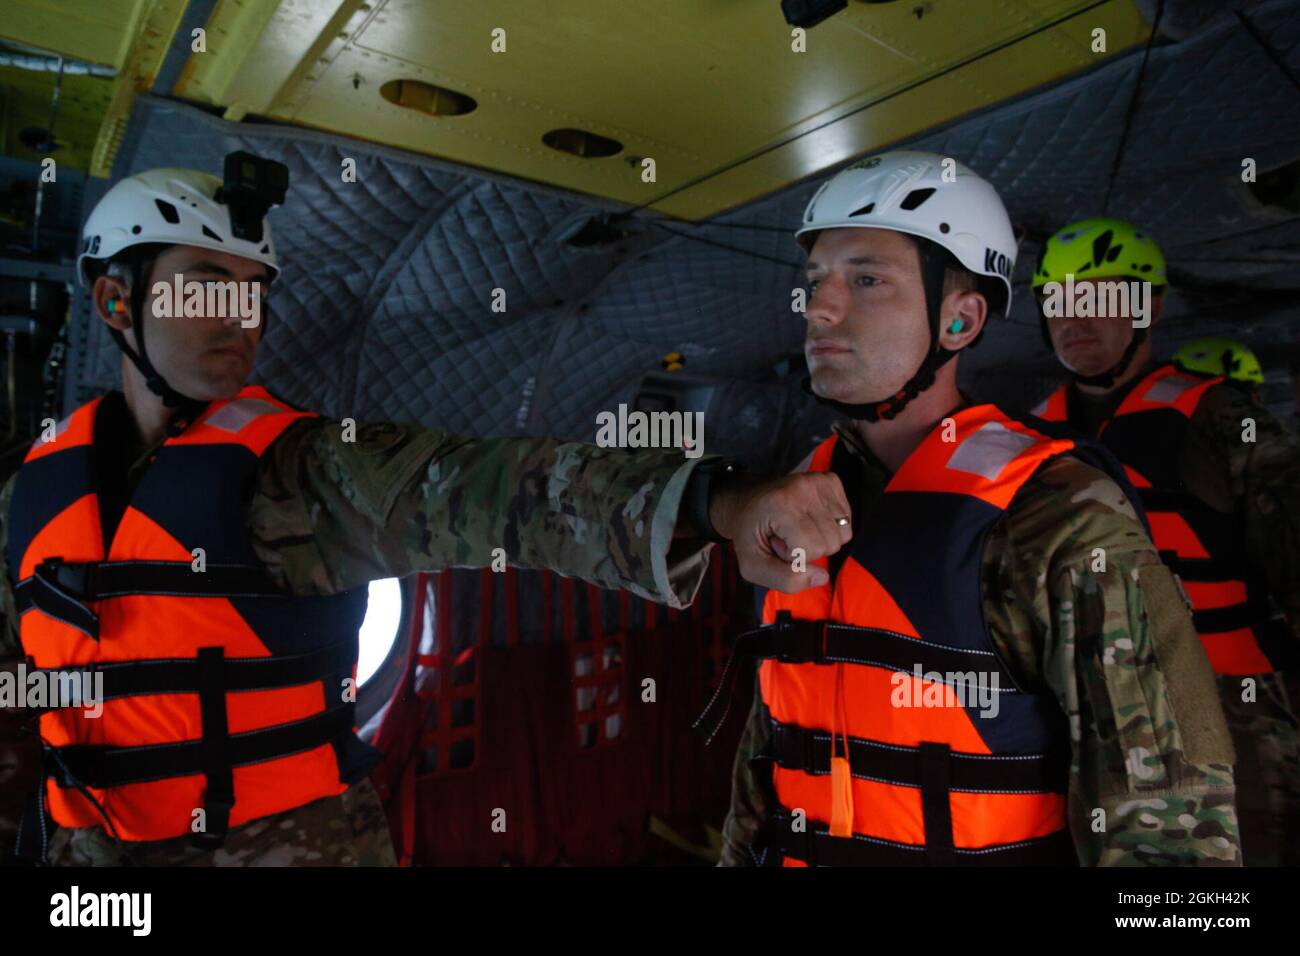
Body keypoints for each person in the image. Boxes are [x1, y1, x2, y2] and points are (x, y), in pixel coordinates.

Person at [0, 154, 853, 866]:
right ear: (118, 303)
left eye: (252, 290)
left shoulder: (301, 473)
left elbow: (502, 492)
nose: (241, 316)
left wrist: (719, 502)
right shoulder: (31, 498)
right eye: (206, 286)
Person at [713, 153, 1239, 866]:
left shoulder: (1057, 506)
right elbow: (773, 743)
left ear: (959, 320)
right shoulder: (796, 492)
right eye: (815, 283)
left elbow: (1173, 819)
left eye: (866, 279)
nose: (823, 307)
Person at [1030, 217, 1300, 865]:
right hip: (1090, 709)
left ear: (1149, 305)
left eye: (1100, 297)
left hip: (1228, 706)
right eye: (1059, 300)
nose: (1075, 317)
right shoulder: (1030, 436)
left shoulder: (1217, 415)